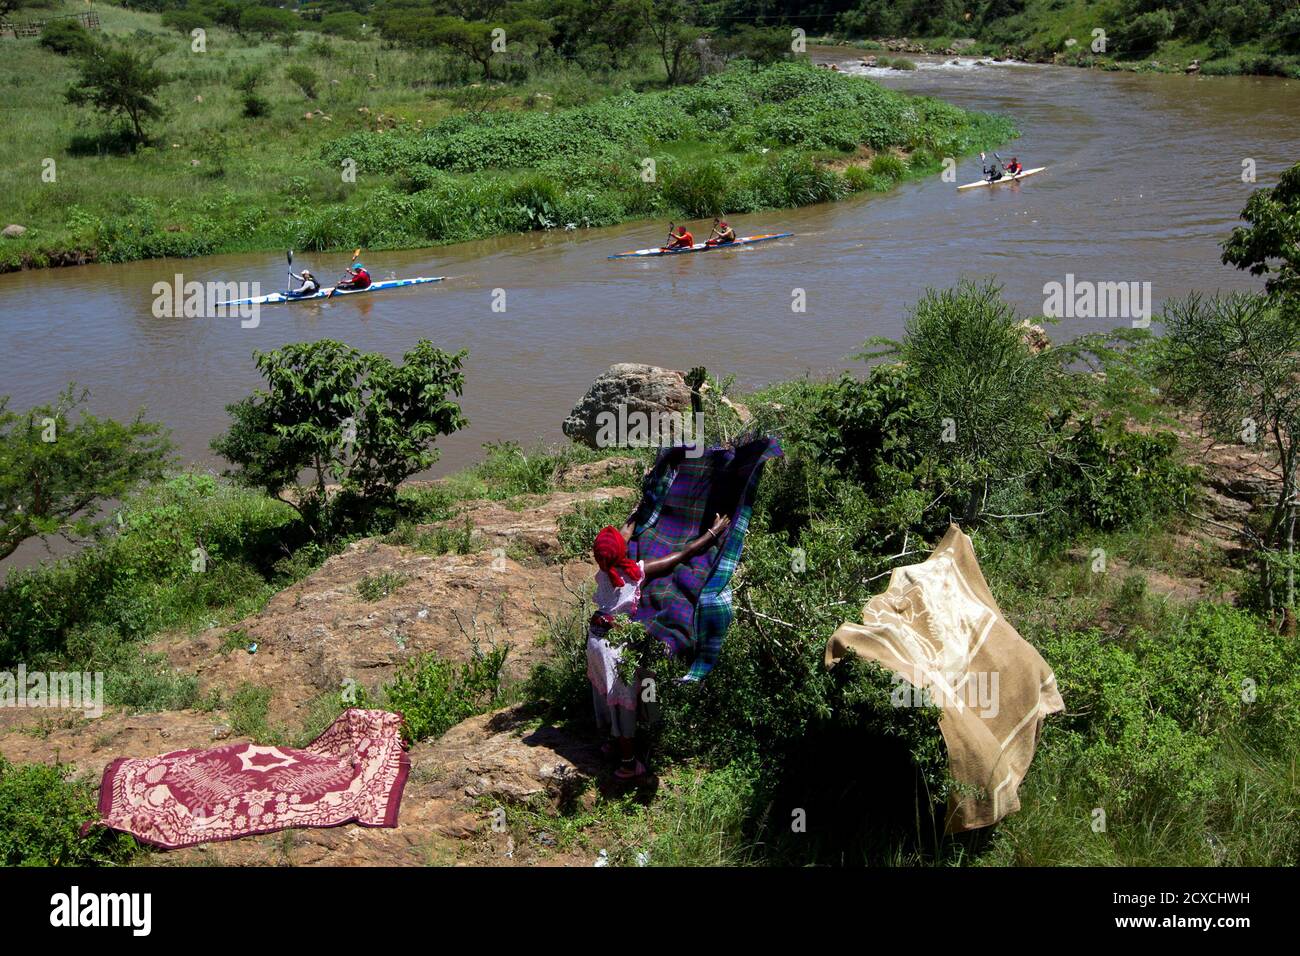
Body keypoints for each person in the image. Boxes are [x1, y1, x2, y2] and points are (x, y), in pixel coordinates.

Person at [587, 514, 731, 780]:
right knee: (624, 702)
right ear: (621, 553)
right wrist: (713, 533)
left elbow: (621, 536)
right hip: (614, 649)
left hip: (594, 641)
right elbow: (680, 555)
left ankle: (609, 742)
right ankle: (628, 764)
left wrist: (640, 508)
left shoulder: (603, 570)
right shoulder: (633, 574)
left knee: (603, 692)